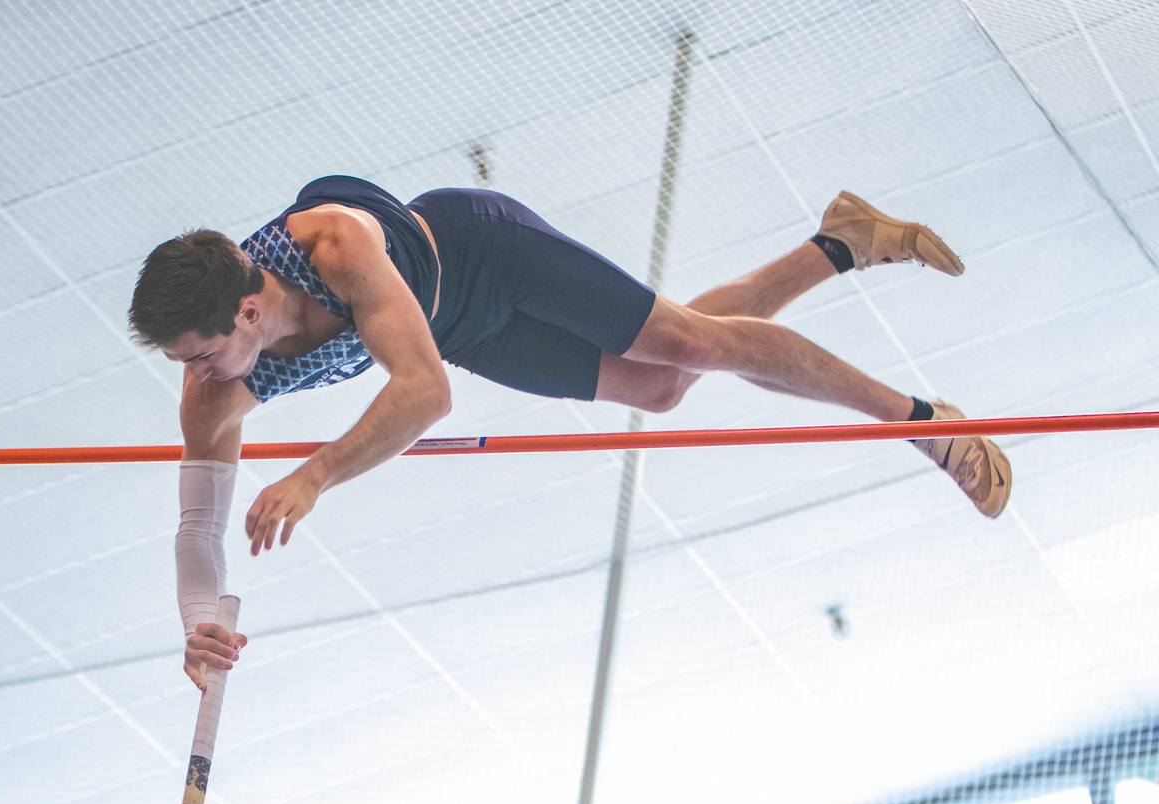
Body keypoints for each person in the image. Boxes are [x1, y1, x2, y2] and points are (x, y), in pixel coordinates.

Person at [127, 175, 1011, 690]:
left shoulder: (332, 251)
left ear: (248, 309)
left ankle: (925, 423)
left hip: (487, 252)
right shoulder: (213, 395)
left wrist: (315, 475)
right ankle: (842, 240)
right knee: (664, 388)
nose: (193, 378)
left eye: (200, 355)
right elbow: (198, 529)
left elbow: (425, 393)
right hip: (466, 328)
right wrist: (200, 620)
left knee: (690, 343)